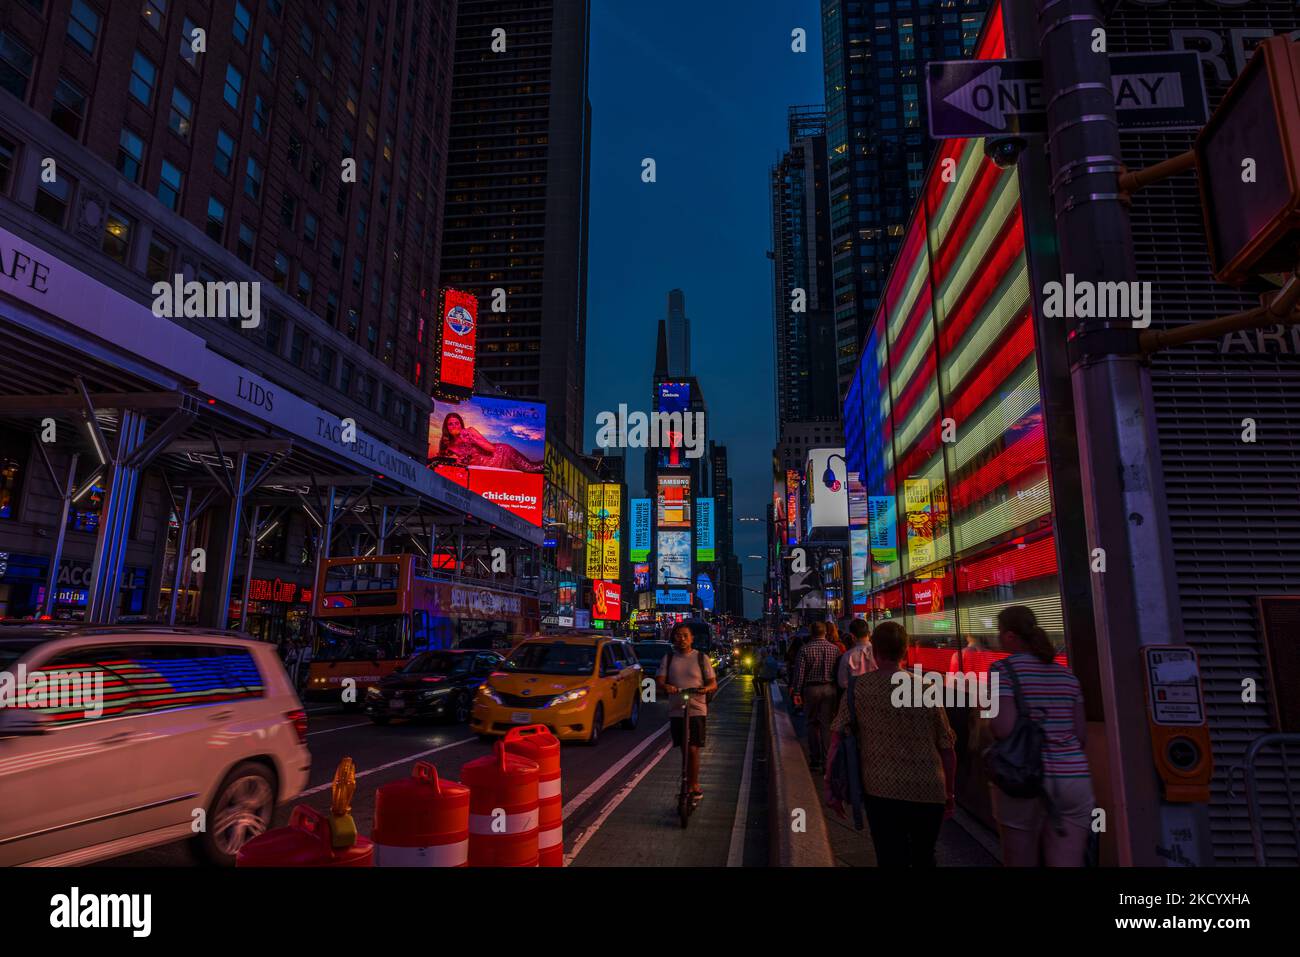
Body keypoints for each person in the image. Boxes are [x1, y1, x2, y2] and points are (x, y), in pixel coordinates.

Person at [829, 621, 956, 867]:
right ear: (905, 651)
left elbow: (836, 739)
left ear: (875, 651)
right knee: (924, 857)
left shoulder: (860, 688)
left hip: (880, 788)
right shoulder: (925, 686)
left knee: (889, 857)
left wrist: (831, 788)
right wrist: (949, 792)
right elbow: (947, 747)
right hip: (929, 789)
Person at [988, 605, 1093, 867]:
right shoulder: (1067, 676)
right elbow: (1080, 735)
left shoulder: (1002, 670)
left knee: (1020, 860)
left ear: (1011, 636)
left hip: (1024, 777)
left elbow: (1003, 728)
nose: (999, 638)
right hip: (1073, 779)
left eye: (1000, 632)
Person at [657, 622, 718, 803]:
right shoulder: (668, 658)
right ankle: (686, 780)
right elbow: (659, 680)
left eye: (685, 636)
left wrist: (705, 689)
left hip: (697, 709)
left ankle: (694, 784)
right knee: (684, 747)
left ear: (691, 639)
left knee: (693, 749)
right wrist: (666, 686)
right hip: (677, 710)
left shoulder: (701, 658)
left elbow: (713, 683)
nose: (681, 639)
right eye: (678, 635)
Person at [792, 621, 841, 772]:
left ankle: (815, 759)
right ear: (825, 632)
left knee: (811, 724)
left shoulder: (805, 649)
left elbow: (799, 673)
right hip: (829, 688)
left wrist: (796, 692)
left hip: (811, 689)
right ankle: (827, 761)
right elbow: (838, 672)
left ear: (811, 633)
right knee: (826, 725)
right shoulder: (835, 649)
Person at [435, 412, 542, 472]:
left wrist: (473, 439)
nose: (454, 426)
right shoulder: (448, 445)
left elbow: (491, 448)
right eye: (451, 424)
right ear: (446, 427)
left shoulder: (470, 431)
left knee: (532, 468)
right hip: (484, 469)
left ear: (461, 424)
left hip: (501, 454)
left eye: (456, 423)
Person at [837, 618, 877, 689]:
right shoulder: (879, 652)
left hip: (855, 695)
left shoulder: (848, 656)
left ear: (852, 636)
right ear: (869, 633)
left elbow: (842, 682)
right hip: (876, 693)